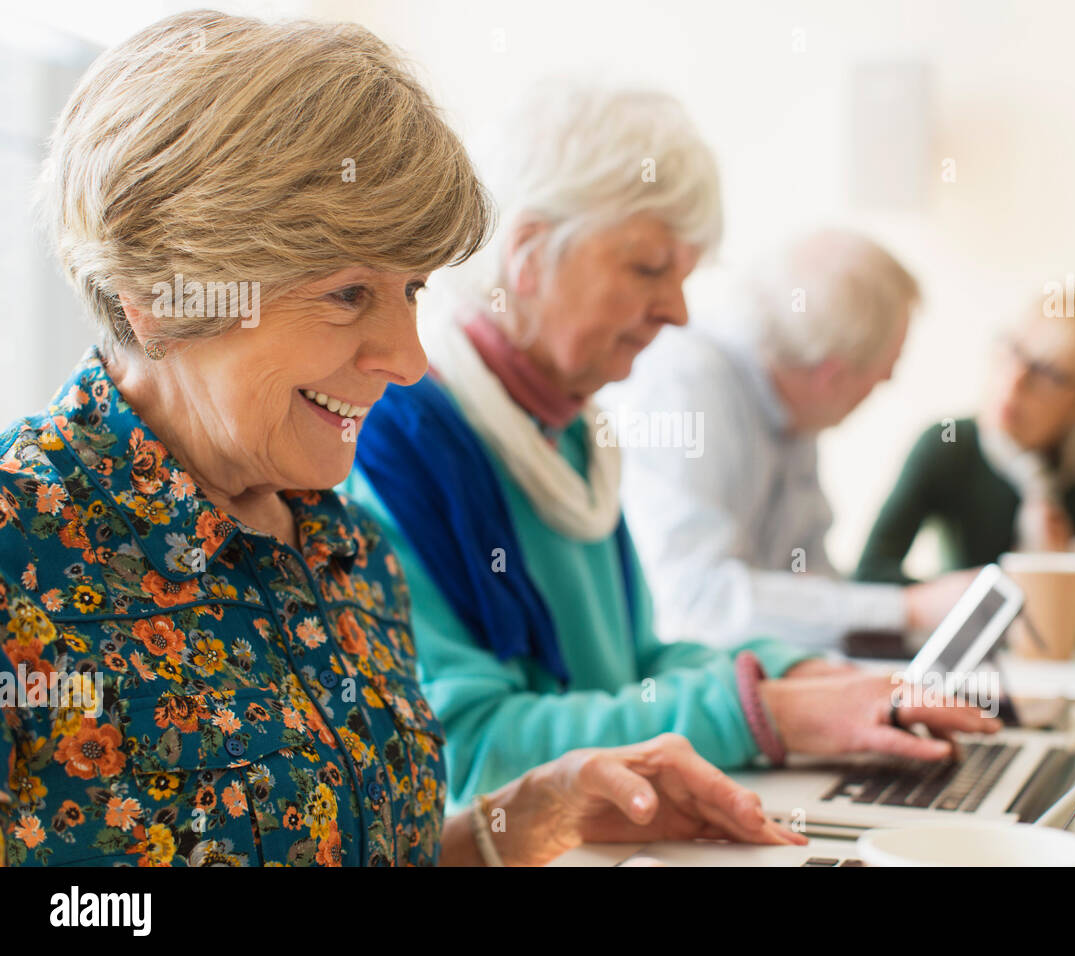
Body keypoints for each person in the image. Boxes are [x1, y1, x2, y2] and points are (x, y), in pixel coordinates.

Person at [0, 11, 804, 867]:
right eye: (348, 293)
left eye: (413, 288)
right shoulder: (19, 558)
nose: (410, 360)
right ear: (160, 292)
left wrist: (529, 816)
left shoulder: (349, 545)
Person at [345, 86, 999, 811]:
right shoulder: (393, 445)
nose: (678, 311)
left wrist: (794, 675)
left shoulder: (567, 438)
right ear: (529, 255)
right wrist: (764, 715)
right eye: (650, 269)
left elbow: (635, 666)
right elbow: (464, 755)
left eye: (683, 277)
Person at [607, 230, 975, 653]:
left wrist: (905, 624)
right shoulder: (682, 386)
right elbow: (694, 604)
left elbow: (810, 578)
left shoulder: (795, 409)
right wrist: (904, 609)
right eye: (882, 373)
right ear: (830, 376)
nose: (886, 382)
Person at [855, 300, 1075, 585]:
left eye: (1046, 372)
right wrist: (989, 591)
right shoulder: (949, 445)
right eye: (1014, 351)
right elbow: (870, 575)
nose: (1013, 382)